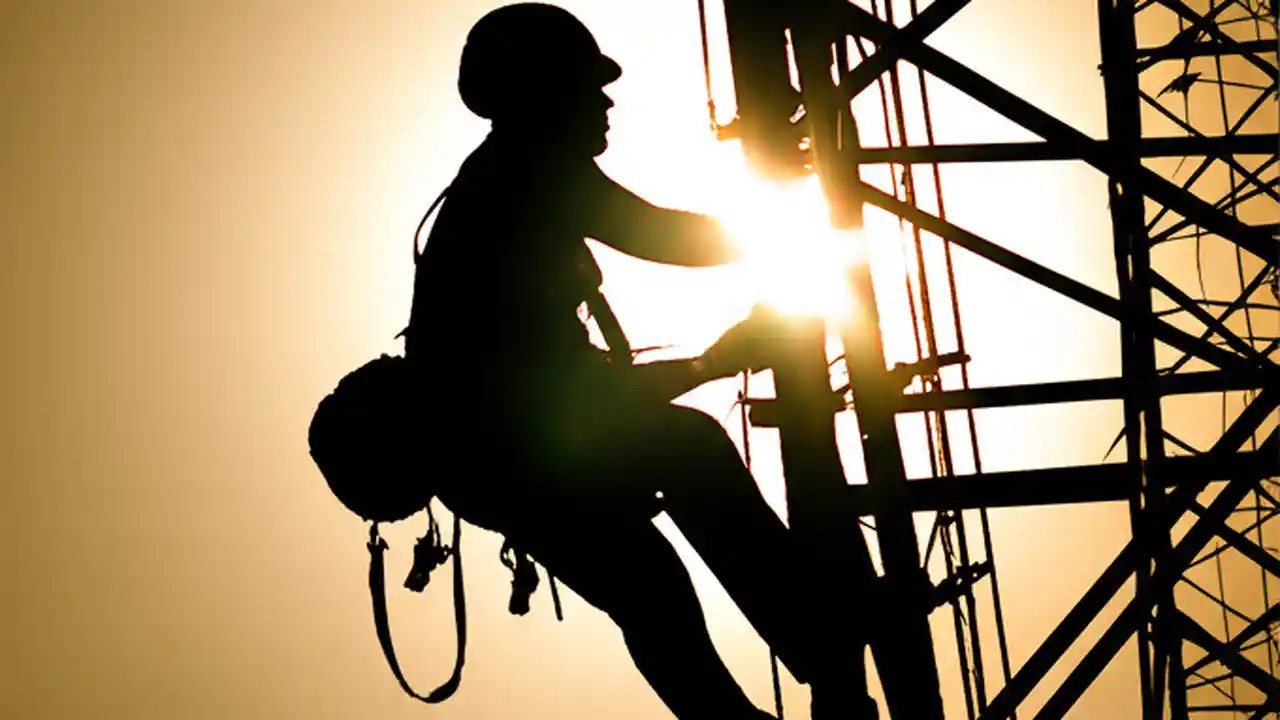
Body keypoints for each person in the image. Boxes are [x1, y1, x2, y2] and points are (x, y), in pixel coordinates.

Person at [402, 4, 878, 718]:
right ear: (544, 96)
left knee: (647, 584)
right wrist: (784, 223)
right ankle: (822, 636)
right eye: (586, 88)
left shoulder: (509, 182)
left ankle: (798, 661)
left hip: (496, 464)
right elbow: (662, 241)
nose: (606, 101)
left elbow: (575, 386)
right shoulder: (530, 172)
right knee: (687, 452)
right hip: (507, 451)